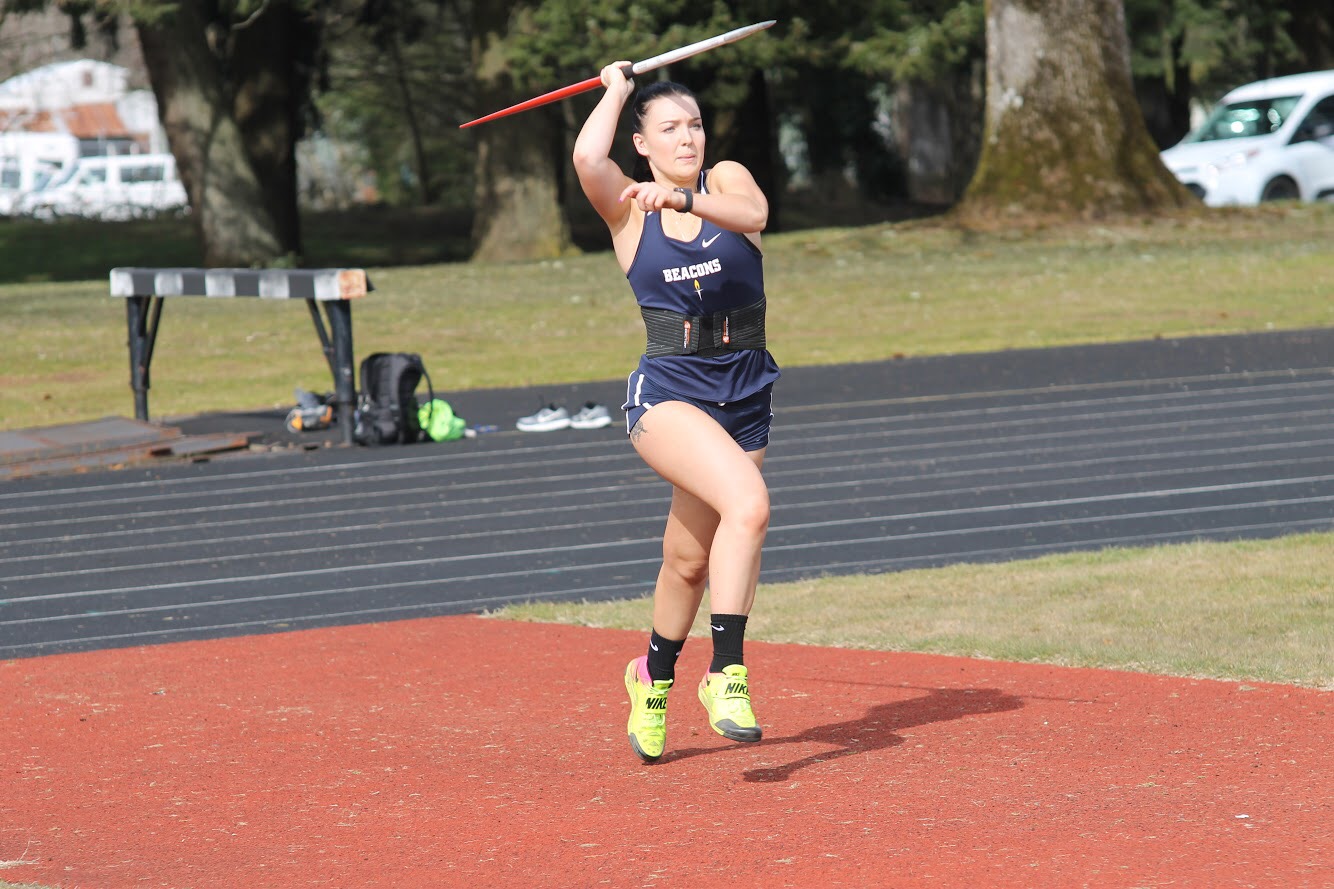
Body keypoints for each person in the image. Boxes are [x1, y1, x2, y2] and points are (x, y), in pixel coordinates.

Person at [572, 63, 781, 763]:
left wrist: (686, 199)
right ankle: (727, 672)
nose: (687, 138)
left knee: (688, 562)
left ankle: (652, 680)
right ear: (643, 144)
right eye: (669, 129)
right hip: (669, 396)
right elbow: (586, 158)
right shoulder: (629, 210)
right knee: (748, 505)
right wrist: (616, 91)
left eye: (694, 124)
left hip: (744, 393)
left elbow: (755, 217)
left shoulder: (725, 181)